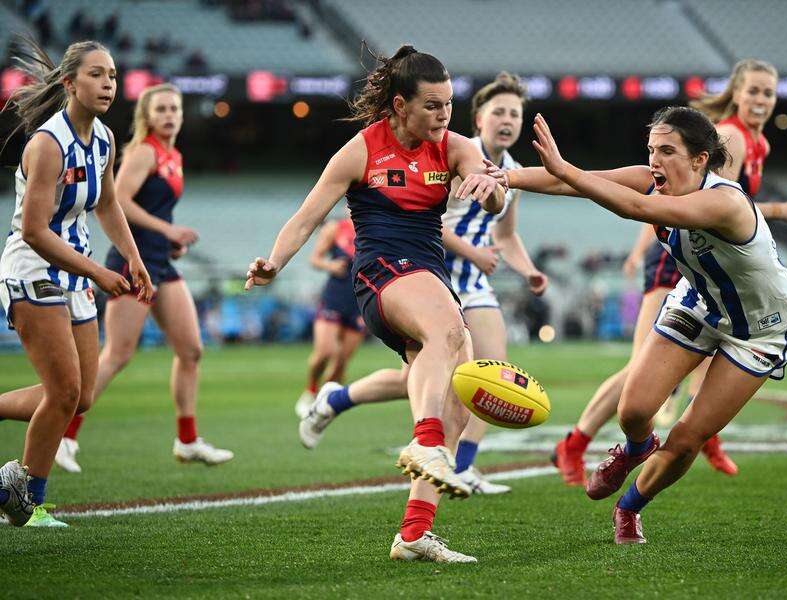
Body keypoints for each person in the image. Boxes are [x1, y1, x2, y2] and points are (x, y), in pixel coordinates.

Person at [465, 107, 787, 544]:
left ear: (700, 160)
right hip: (700, 303)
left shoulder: (724, 201)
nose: (654, 160)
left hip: (760, 328)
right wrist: (507, 178)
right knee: (634, 411)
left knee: (686, 437)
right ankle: (638, 447)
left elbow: (637, 208)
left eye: (667, 151)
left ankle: (630, 507)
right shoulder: (651, 178)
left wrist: (564, 167)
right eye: (651, 150)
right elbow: (573, 181)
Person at [245, 45, 505, 563]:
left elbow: (492, 187)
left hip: (428, 275)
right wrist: (275, 261)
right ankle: (425, 438)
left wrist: (488, 188)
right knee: (449, 334)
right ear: (399, 104)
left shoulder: (453, 146)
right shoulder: (360, 150)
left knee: (459, 384)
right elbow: (307, 216)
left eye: (449, 104)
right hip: (380, 274)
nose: (444, 115)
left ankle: (413, 534)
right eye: (432, 105)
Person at [298, 72, 549, 495]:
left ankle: (453, 463)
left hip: (470, 282)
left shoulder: (513, 171)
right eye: (499, 112)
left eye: (515, 114)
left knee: (477, 370)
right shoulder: (451, 151)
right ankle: (356, 409)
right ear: (480, 119)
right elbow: (429, 221)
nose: (508, 120)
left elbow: (504, 234)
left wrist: (527, 270)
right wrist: (470, 251)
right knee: (444, 369)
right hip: (424, 271)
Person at [552, 58, 787, 486]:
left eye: (768, 92)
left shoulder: (758, 146)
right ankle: (578, 444)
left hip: (711, 261)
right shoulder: (734, 142)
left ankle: (696, 436)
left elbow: (688, 204)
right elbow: (665, 202)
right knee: (642, 372)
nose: (761, 100)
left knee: (684, 366)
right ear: (736, 94)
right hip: (687, 259)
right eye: (753, 91)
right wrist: (518, 177)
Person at [0, 37, 153, 527]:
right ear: (69, 83)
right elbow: (34, 230)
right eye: (96, 74)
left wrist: (133, 258)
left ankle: (23, 492)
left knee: (81, 395)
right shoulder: (47, 144)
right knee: (63, 391)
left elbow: (107, 205)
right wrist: (99, 272)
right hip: (33, 271)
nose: (108, 83)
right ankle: (30, 501)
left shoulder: (105, 139)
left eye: (112, 75)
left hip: (76, 274)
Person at [55, 83, 233, 473]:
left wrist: (170, 243)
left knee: (191, 350)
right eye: (162, 109)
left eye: (175, 109)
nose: (170, 115)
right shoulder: (142, 152)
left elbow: (154, 211)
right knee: (118, 354)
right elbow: (117, 201)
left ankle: (187, 441)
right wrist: (167, 232)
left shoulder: (174, 155)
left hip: (161, 263)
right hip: (131, 262)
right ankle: (65, 436)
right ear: (148, 117)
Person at [294, 213, 365, 419]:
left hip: (360, 302)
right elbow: (315, 259)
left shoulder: (374, 227)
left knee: (342, 361)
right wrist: (330, 266)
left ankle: (323, 404)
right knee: (325, 352)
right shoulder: (335, 228)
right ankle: (311, 390)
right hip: (334, 297)